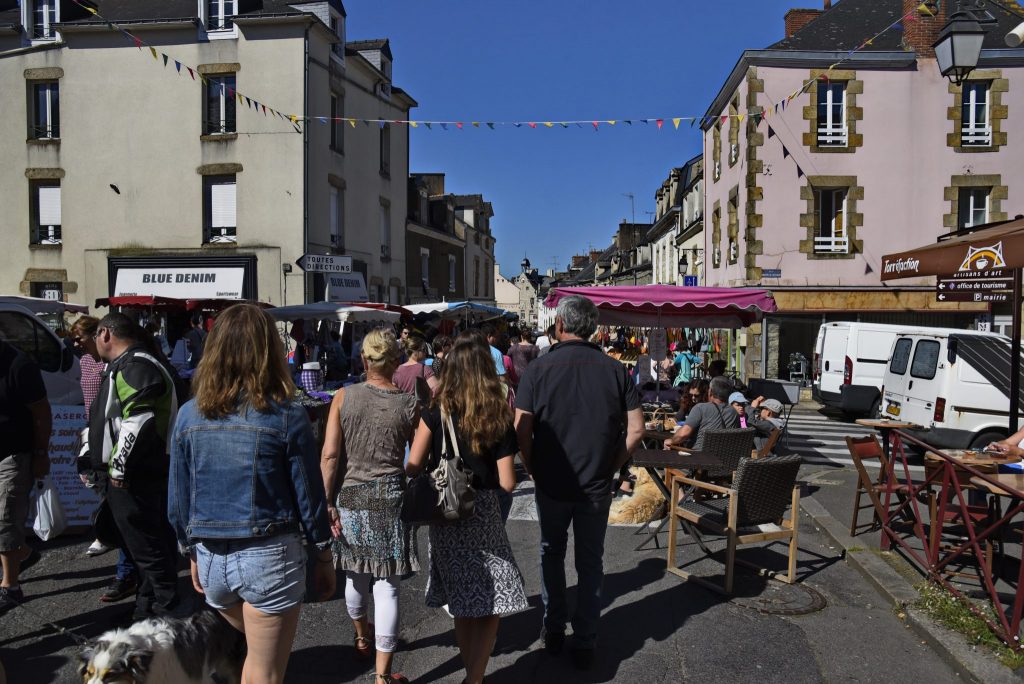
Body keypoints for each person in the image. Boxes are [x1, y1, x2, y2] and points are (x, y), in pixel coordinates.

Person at [169, 304, 335, 684]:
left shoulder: (189, 415)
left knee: (252, 661)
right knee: (266, 669)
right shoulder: (285, 414)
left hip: (212, 556)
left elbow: (178, 498)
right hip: (267, 555)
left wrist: (190, 549)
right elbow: (308, 497)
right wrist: (323, 554)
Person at [514, 295, 645, 670]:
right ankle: (585, 639)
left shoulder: (539, 369)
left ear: (559, 326)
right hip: (595, 483)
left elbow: (521, 427)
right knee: (590, 562)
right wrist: (612, 464)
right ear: (595, 329)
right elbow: (637, 430)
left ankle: (554, 627)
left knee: (550, 553)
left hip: (553, 480)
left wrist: (531, 463)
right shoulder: (616, 370)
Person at [406, 342, 528, 684]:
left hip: (446, 512)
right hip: (483, 513)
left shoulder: (435, 412)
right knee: (493, 600)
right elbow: (507, 483)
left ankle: (471, 675)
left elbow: (413, 464)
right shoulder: (497, 417)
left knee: (461, 598)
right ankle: (474, 678)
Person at [321, 328, 419, 684]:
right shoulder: (409, 403)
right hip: (390, 495)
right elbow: (418, 458)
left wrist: (327, 501)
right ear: (394, 362)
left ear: (364, 360)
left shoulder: (343, 397)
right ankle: (382, 675)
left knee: (354, 572)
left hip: (350, 496)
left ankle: (361, 635)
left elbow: (330, 456)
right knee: (387, 584)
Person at [80, 313, 181, 620]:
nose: (94, 343)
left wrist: (119, 469)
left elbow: (139, 419)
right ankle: (147, 610)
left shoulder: (135, 365)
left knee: (149, 549)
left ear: (106, 334)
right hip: (138, 474)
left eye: (96, 336)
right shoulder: (131, 364)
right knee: (145, 549)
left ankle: (164, 614)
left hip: (138, 477)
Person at [70, 316, 140, 601]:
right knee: (106, 501)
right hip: (93, 437)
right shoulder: (85, 363)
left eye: (80, 338)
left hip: (114, 441)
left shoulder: (113, 364)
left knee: (118, 506)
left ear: (99, 334)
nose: (76, 343)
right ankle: (127, 564)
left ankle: (126, 573)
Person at [0, 341, 51, 613]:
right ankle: (23, 553)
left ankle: (11, 587)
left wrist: (42, 453)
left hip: (14, 453)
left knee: (5, 519)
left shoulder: (19, 365)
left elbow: (42, 412)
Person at [664, 376, 740, 451]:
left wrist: (671, 441)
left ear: (710, 392)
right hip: (724, 458)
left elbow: (683, 434)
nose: (693, 398)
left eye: (696, 395)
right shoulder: (734, 412)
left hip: (699, 458)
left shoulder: (700, 408)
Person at [392, 335, 438, 404]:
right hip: (420, 410)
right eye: (423, 349)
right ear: (416, 352)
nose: (425, 353)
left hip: (403, 409)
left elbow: (393, 394)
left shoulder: (397, 370)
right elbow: (436, 390)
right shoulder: (424, 368)